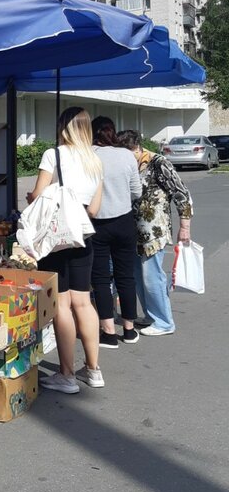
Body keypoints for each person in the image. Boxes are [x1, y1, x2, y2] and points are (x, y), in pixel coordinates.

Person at [27, 107, 104, 394]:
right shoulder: (95, 160)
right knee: (83, 302)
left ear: (63, 126)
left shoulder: (54, 154)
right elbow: (95, 209)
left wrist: (32, 198)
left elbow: (37, 195)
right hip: (84, 236)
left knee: (61, 304)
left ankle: (67, 374)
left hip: (57, 239)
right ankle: (94, 370)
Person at [117, 130, 193, 336]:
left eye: (129, 152)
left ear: (137, 148)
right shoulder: (127, 164)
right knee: (138, 277)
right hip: (132, 230)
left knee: (152, 277)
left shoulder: (158, 163)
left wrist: (184, 227)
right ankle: (151, 315)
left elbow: (181, 193)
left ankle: (164, 322)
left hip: (154, 231)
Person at [90, 116, 142, 348]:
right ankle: (129, 330)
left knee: (100, 279)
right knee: (125, 276)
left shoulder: (88, 155)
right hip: (124, 221)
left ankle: (108, 332)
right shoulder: (126, 155)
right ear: (113, 132)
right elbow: (136, 191)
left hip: (97, 223)